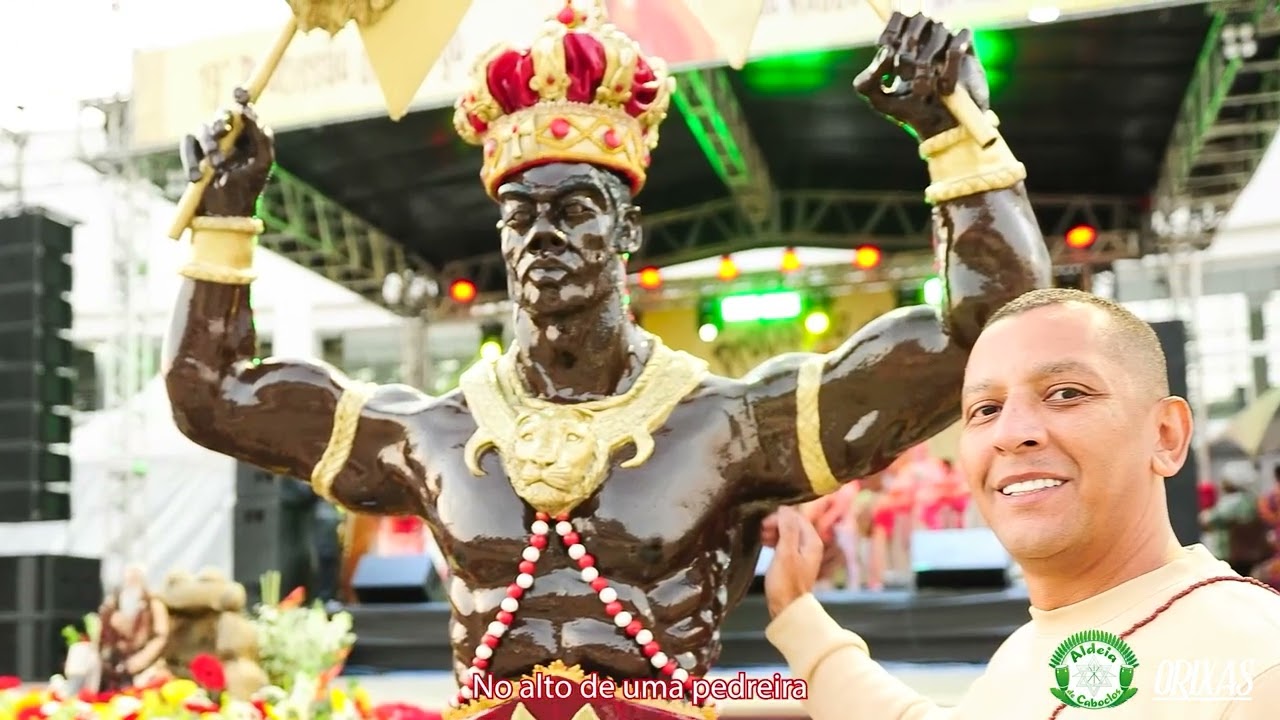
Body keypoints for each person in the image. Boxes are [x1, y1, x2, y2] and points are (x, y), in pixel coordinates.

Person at [163, 3, 1048, 716]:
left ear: (627, 230)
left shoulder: (732, 427)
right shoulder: (427, 436)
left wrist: (954, 130)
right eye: (520, 216)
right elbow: (211, 396)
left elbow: (990, 335)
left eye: (575, 209)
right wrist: (226, 214)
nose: (544, 234)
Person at [764, 287, 1280, 719]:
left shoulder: (1257, 664)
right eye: (985, 408)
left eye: (1066, 393)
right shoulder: (1024, 656)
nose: (1011, 434)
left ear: (1166, 435)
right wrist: (794, 610)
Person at [97, 564, 170, 691]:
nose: (132, 581)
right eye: (129, 577)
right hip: (114, 664)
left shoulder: (153, 604)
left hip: (144, 664)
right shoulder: (112, 605)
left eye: (136, 578)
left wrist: (141, 659)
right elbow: (101, 637)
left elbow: (161, 636)